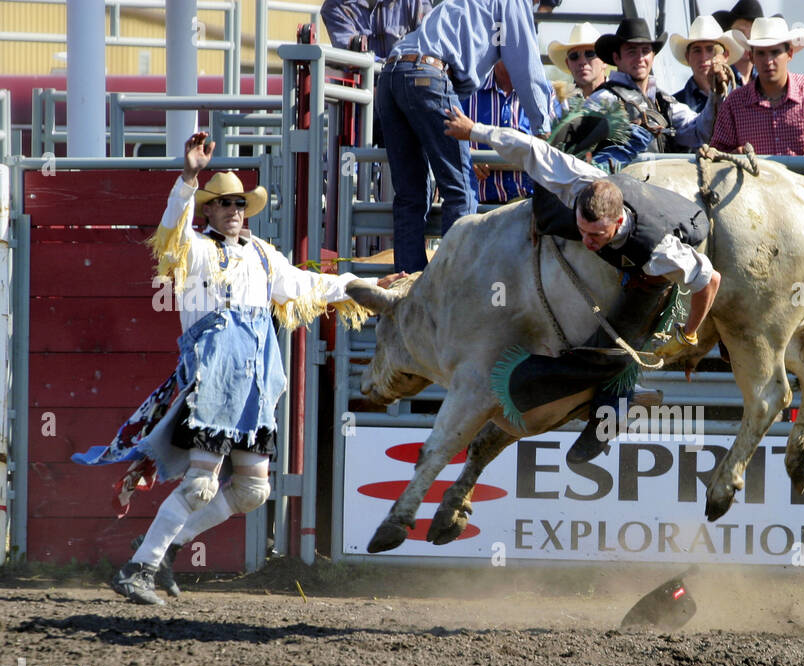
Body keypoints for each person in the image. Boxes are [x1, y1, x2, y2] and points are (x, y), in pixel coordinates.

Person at [73, 132, 402, 605]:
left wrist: (364, 286)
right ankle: (139, 565)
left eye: (238, 203)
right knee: (202, 483)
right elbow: (172, 228)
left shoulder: (265, 256)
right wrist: (188, 176)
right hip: (214, 379)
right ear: (208, 209)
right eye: (223, 203)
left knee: (252, 489)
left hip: (253, 383)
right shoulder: (195, 249)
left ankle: (164, 551)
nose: (232, 209)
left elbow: (311, 284)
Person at [443, 107, 721, 462]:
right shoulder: (581, 182)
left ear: (616, 222)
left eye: (597, 235)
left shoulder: (660, 253)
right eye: (584, 232)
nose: (589, 242)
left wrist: (691, 333)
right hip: (613, 206)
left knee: (615, 351)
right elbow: (532, 150)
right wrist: (475, 130)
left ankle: (611, 413)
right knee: (545, 211)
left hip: (657, 251)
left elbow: (709, 279)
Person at [376, 0, 553, 273]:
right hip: (430, 74)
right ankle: (451, 282)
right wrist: (543, 126)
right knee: (461, 190)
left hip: (391, 73)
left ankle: (408, 287)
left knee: (410, 195)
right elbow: (524, 60)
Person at [711, 17, 804, 158]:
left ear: (789, 53)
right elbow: (717, 151)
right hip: (757, 185)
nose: (768, 61)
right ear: (752, 57)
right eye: (761, 53)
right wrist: (733, 156)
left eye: (775, 52)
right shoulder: (734, 103)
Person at [587, 17, 730, 156]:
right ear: (616, 58)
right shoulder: (601, 100)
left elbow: (700, 132)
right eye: (632, 52)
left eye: (645, 51)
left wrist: (715, 93)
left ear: (653, 56)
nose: (640, 58)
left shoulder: (663, 102)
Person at [464, 61, 537, 206]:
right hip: (478, 205)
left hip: (530, 205)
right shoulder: (467, 91)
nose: (516, 47)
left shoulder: (546, 92)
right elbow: (443, 134)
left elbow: (555, 146)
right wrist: (465, 153)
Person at [671, 15, 745, 115]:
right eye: (697, 50)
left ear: (725, 55)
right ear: (688, 57)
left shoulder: (745, 98)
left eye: (710, 49)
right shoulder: (673, 107)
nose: (704, 57)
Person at [548, 21, 607, 108]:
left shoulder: (621, 98)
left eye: (590, 53)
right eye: (574, 56)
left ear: (604, 60)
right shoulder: (558, 105)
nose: (582, 61)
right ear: (568, 64)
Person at [713, 0, 765, 84]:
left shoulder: (766, 77)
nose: (747, 40)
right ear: (728, 34)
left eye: (753, 34)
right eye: (740, 33)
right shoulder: (717, 76)